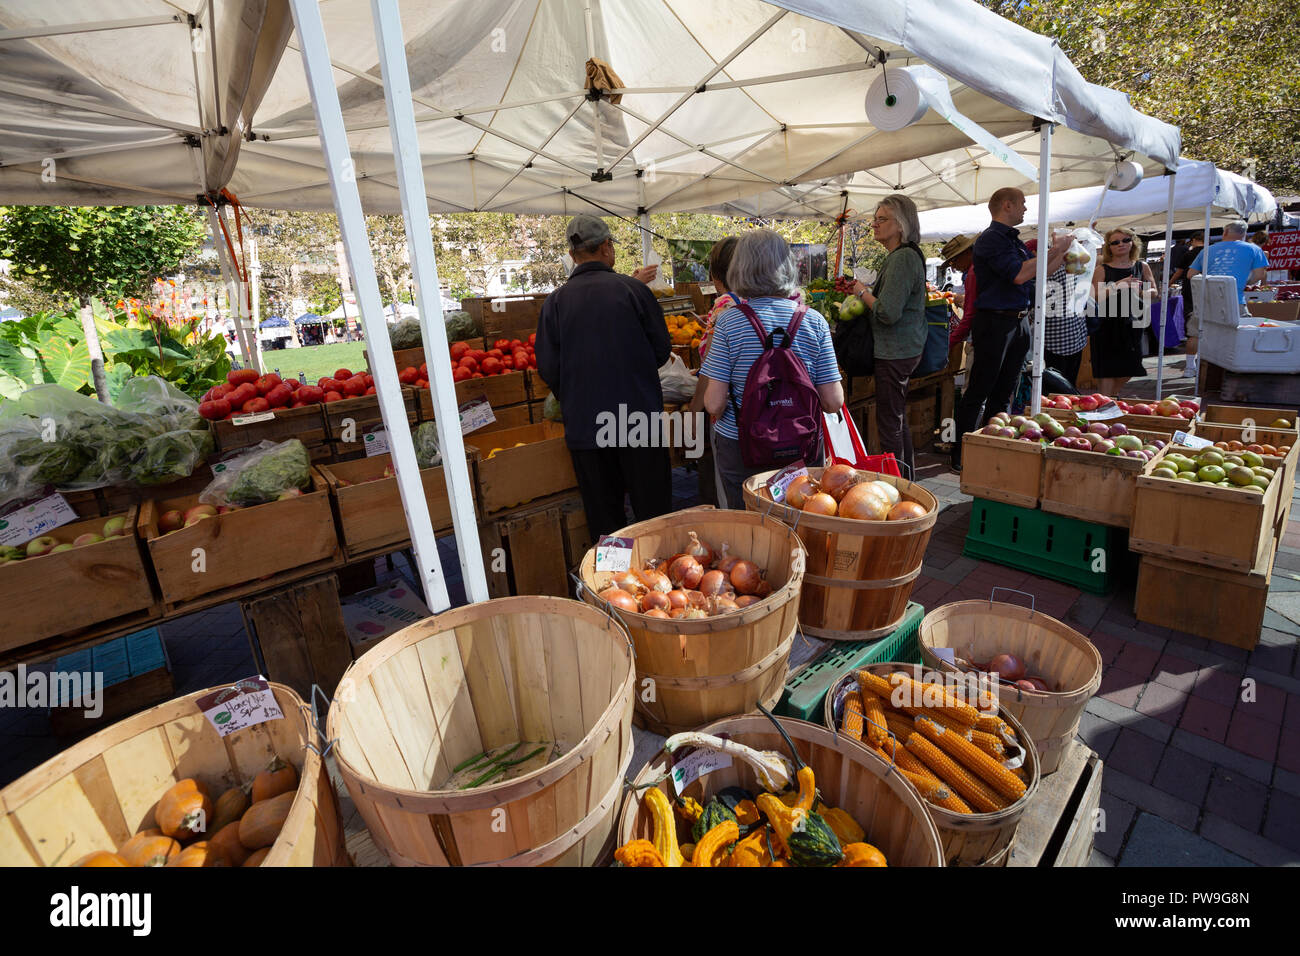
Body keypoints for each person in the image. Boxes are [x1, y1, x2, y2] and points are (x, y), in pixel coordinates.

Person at [535, 214, 672, 538]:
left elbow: (549, 369)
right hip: (638, 422)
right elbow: (661, 351)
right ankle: (659, 578)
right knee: (653, 514)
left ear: (572, 254)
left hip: (587, 428)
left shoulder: (554, 303)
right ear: (607, 247)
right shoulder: (634, 291)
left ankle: (614, 583)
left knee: (606, 519)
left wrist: (579, 393)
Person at [698, 230, 843, 509]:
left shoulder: (728, 323)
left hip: (742, 446)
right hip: (800, 445)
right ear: (788, 266)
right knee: (799, 520)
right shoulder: (814, 321)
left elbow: (714, 403)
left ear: (739, 269)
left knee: (749, 526)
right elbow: (833, 401)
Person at [952, 188, 1071, 471]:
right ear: (1007, 205)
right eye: (1023, 204)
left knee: (1005, 390)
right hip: (994, 322)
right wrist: (1055, 250)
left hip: (1017, 322)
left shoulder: (1011, 241)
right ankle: (962, 454)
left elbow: (1040, 273)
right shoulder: (991, 239)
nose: (1026, 210)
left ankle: (992, 443)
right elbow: (1019, 274)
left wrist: (1061, 252)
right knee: (980, 390)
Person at [844, 196, 928, 478]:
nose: (875, 224)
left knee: (889, 422)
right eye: (875, 219)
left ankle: (898, 486)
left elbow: (888, 313)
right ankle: (906, 479)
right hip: (903, 348)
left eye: (883, 219)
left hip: (895, 351)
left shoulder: (903, 258)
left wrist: (860, 292)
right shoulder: (902, 256)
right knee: (896, 417)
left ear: (901, 225)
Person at [1187, 220, 1270, 381]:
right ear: (1245, 233)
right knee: (1240, 332)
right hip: (1235, 298)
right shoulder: (1254, 249)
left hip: (1206, 298)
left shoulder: (1207, 250)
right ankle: (1236, 367)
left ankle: (1190, 368)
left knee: (1196, 333)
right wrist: (1244, 283)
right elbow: (1260, 275)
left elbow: (1191, 274)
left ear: (1225, 232)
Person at [1090, 226, 1155, 396]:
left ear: (1133, 243)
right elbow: (1095, 297)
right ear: (1109, 247)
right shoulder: (1102, 269)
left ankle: (1112, 396)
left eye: (1126, 240)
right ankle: (1106, 402)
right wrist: (1118, 286)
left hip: (1132, 322)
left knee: (1131, 366)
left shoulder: (1142, 266)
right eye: (1115, 242)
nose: (1121, 244)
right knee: (1107, 369)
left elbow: (1154, 292)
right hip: (1107, 324)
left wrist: (1141, 291)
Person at [1026, 239, 1089, 388]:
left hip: (1055, 340)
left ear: (1036, 252)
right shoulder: (1073, 266)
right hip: (1075, 336)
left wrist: (1028, 318)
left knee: (1054, 384)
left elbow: (1043, 304)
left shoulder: (1047, 272)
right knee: (1068, 383)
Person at [940, 235, 978, 380]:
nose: (953, 266)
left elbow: (970, 316)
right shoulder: (979, 269)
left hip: (981, 339)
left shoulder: (973, 274)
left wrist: (949, 343)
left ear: (967, 252)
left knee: (972, 392)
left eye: (953, 260)